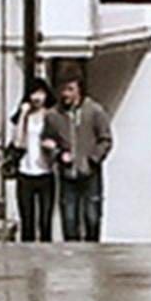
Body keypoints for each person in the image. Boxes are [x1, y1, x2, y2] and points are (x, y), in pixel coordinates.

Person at [49, 67, 111, 240]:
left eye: (70, 89)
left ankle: (92, 250)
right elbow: (47, 140)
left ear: (79, 90)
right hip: (67, 173)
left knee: (92, 216)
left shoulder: (95, 111)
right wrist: (58, 154)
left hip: (89, 172)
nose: (65, 94)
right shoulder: (54, 115)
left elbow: (105, 139)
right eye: (62, 89)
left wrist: (93, 159)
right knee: (69, 219)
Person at [13, 76, 62, 242]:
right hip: (25, 172)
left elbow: (60, 140)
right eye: (34, 93)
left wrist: (53, 146)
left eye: (41, 93)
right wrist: (22, 114)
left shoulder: (52, 116)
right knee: (27, 221)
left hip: (46, 172)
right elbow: (18, 142)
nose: (37, 98)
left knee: (45, 221)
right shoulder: (25, 116)